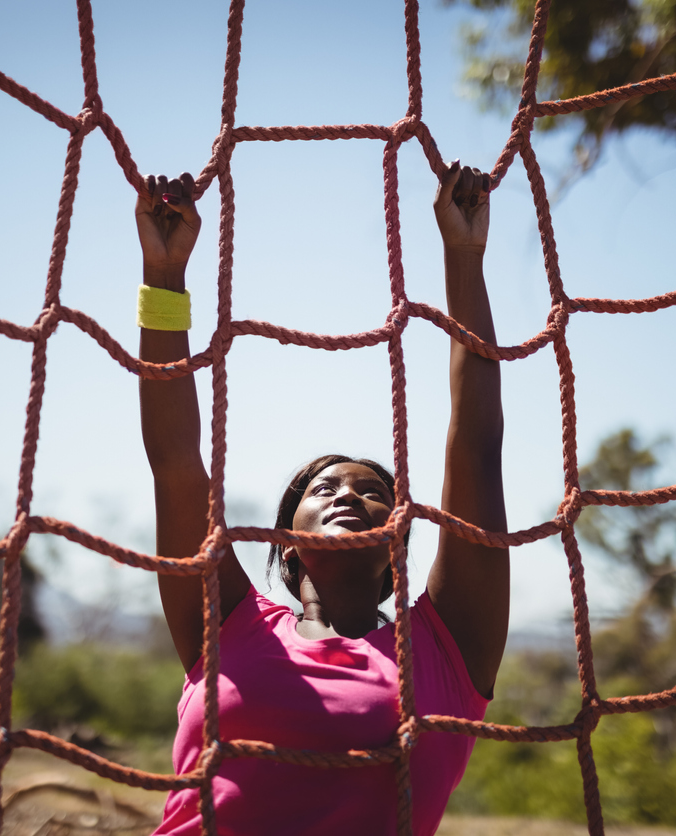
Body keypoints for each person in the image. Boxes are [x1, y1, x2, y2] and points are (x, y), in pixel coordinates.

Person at [135, 161, 508, 835]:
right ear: (284, 540)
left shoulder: (444, 651)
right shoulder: (226, 627)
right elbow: (175, 465)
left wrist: (464, 258)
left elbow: (476, 449)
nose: (349, 495)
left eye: (373, 493)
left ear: (399, 537)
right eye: (325, 486)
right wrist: (164, 278)